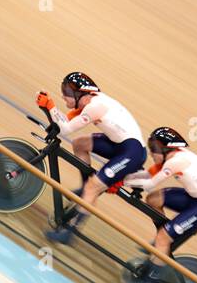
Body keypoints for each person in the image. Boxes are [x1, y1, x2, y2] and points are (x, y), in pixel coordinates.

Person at [34, 72, 145, 243]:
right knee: (80, 144)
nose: (65, 98)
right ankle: (87, 189)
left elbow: (65, 130)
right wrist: (50, 109)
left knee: (93, 188)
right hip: (120, 145)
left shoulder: (95, 107)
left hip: (132, 152)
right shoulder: (89, 102)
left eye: (68, 94)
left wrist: (50, 106)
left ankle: (71, 233)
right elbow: (63, 121)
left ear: (82, 95)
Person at [120, 127, 197, 283]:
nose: (151, 153)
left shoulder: (175, 161)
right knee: (153, 200)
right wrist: (124, 178)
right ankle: (164, 242)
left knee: (163, 238)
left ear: (166, 149)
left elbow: (150, 184)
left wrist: (122, 182)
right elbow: (147, 175)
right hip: (194, 198)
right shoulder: (172, 157)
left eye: (154, 150)